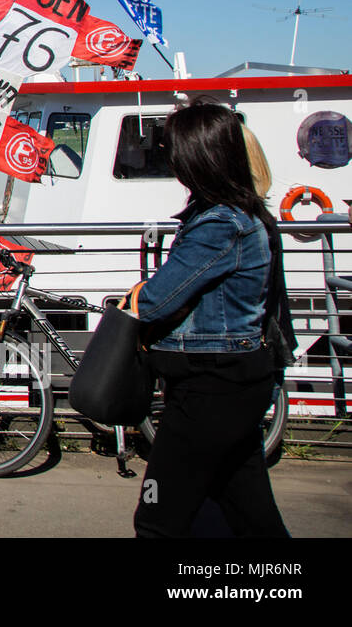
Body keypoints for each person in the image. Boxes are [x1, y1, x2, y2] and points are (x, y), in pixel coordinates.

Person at [128, 102, 290, 537]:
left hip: (209, 385)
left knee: (158, 518)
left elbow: (158, 301)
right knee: (248, 511)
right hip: (235, 380)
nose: (171, 159)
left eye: (175, 151)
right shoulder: (242, 215)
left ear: (197, 156)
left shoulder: (220, 222)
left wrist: (133, 297)